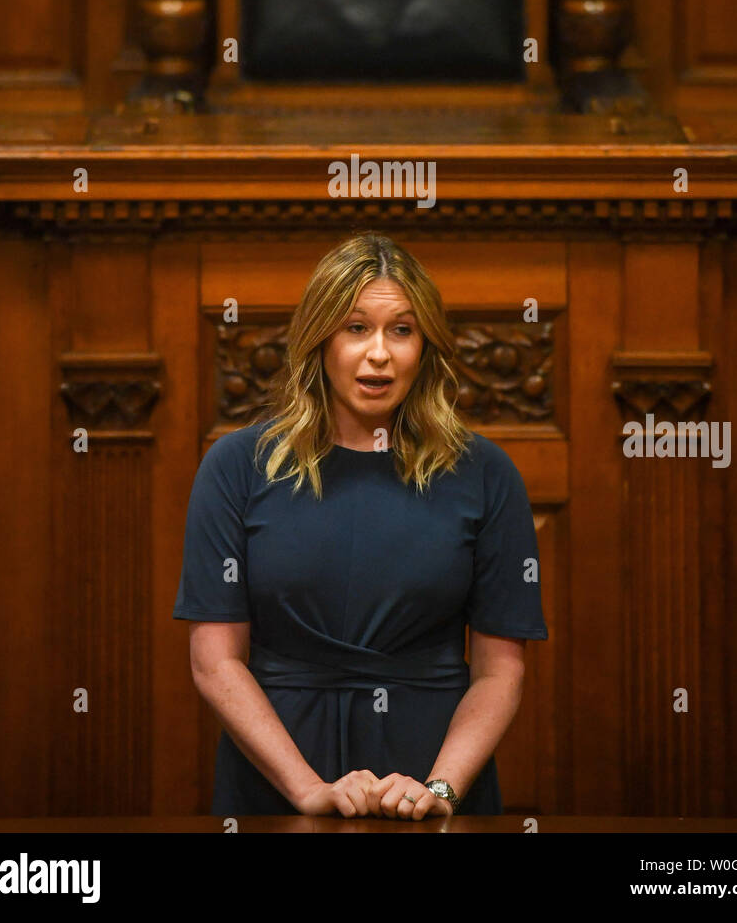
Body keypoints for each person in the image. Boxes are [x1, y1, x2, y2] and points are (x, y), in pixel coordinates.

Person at [173, 231, 548, 819]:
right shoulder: (237, 467)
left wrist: (442, 789)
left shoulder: (486, 473)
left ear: (424, 346)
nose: (380, 353)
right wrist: (305, 789)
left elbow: (501, 670)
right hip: (277, 774)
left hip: (430, 775)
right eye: (356, 328)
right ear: (319, 340)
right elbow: (214, 660)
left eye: (401, 329)